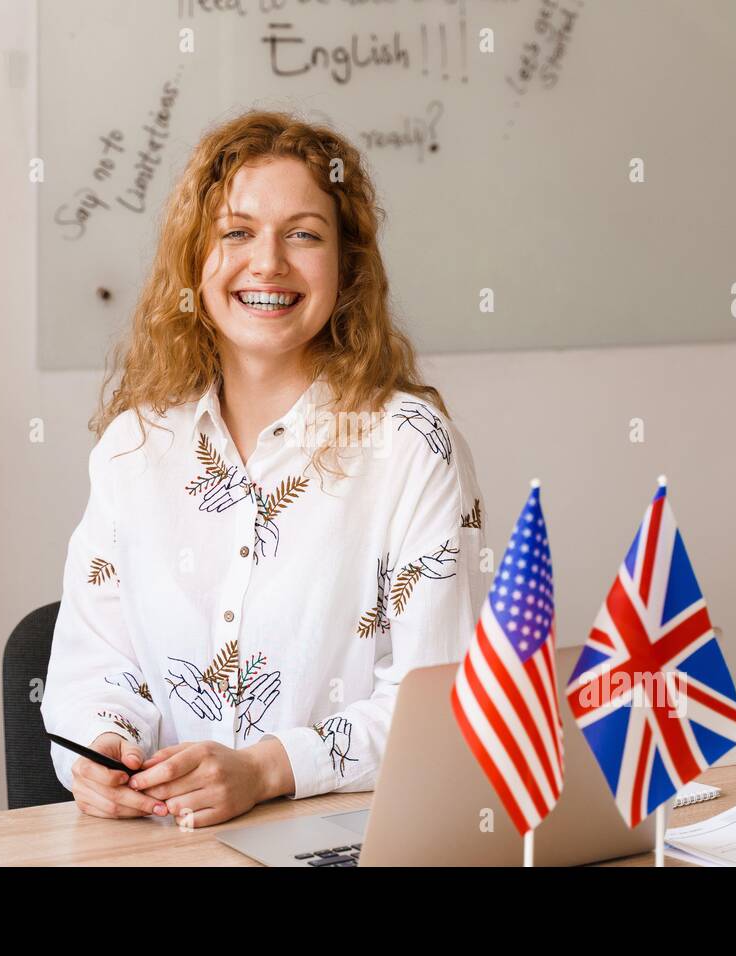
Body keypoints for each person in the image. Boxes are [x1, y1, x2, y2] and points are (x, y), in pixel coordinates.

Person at [41, 110, 487, 828]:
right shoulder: (133, 447)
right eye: (236, 232)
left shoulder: (409, 446)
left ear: (346, 267)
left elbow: (440, 705)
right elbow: (96, 665)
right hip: (163, 844)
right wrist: (101, 752)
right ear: (195, 258)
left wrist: (267, 769)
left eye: (303, 234)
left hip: (351, 842)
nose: (269, 263)